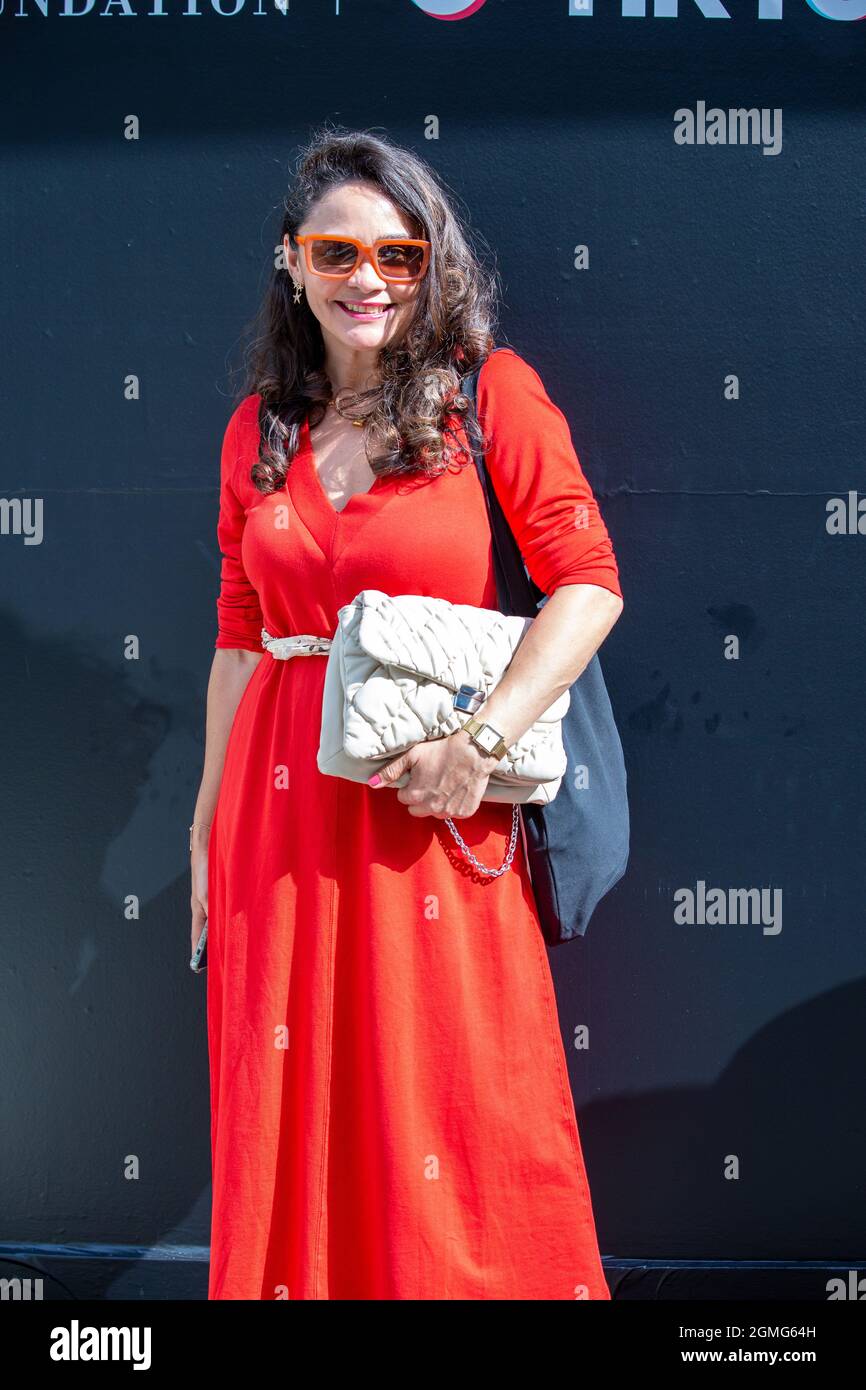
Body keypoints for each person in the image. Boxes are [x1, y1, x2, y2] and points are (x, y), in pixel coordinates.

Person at [191, 126, 624, 1301]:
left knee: (454, 1094)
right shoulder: (255, 429)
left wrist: (476, 745)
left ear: (434, 266)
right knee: (284, 1098)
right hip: (273, 821)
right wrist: (203, 826)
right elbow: (238, 636)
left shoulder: (493, 395)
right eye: (335, 249)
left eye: (399, 252)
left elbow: (587, 585)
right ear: (291, 262)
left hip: (433, 800)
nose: (366, 277)